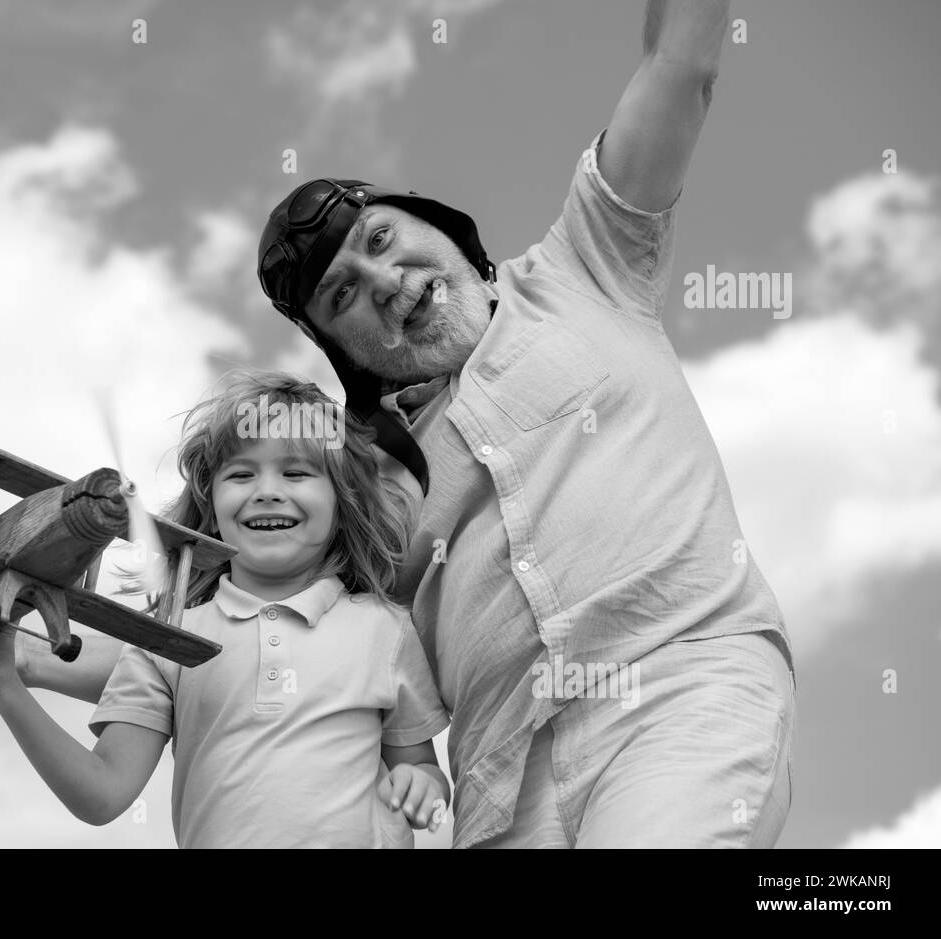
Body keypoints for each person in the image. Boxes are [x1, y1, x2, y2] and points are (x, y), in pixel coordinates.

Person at [253, 0, 795, 847]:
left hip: (677, 687)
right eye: (344, 294)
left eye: (382, 238)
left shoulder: (589, 263)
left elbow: (678, 66)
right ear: (337, 343)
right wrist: (20, 658)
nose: (385, 279)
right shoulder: (358, 482)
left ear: (432, 219)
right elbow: (230, 618)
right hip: (499, 792)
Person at [0, 371, 451, 848]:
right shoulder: (169, 642)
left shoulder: (385, 630)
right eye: (241, 475)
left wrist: (423, 785)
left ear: (343, 502)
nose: (267, 492)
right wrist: (4, 683)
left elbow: (421, 766)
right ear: (212, 505)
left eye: (296, 474)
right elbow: (101, 795)